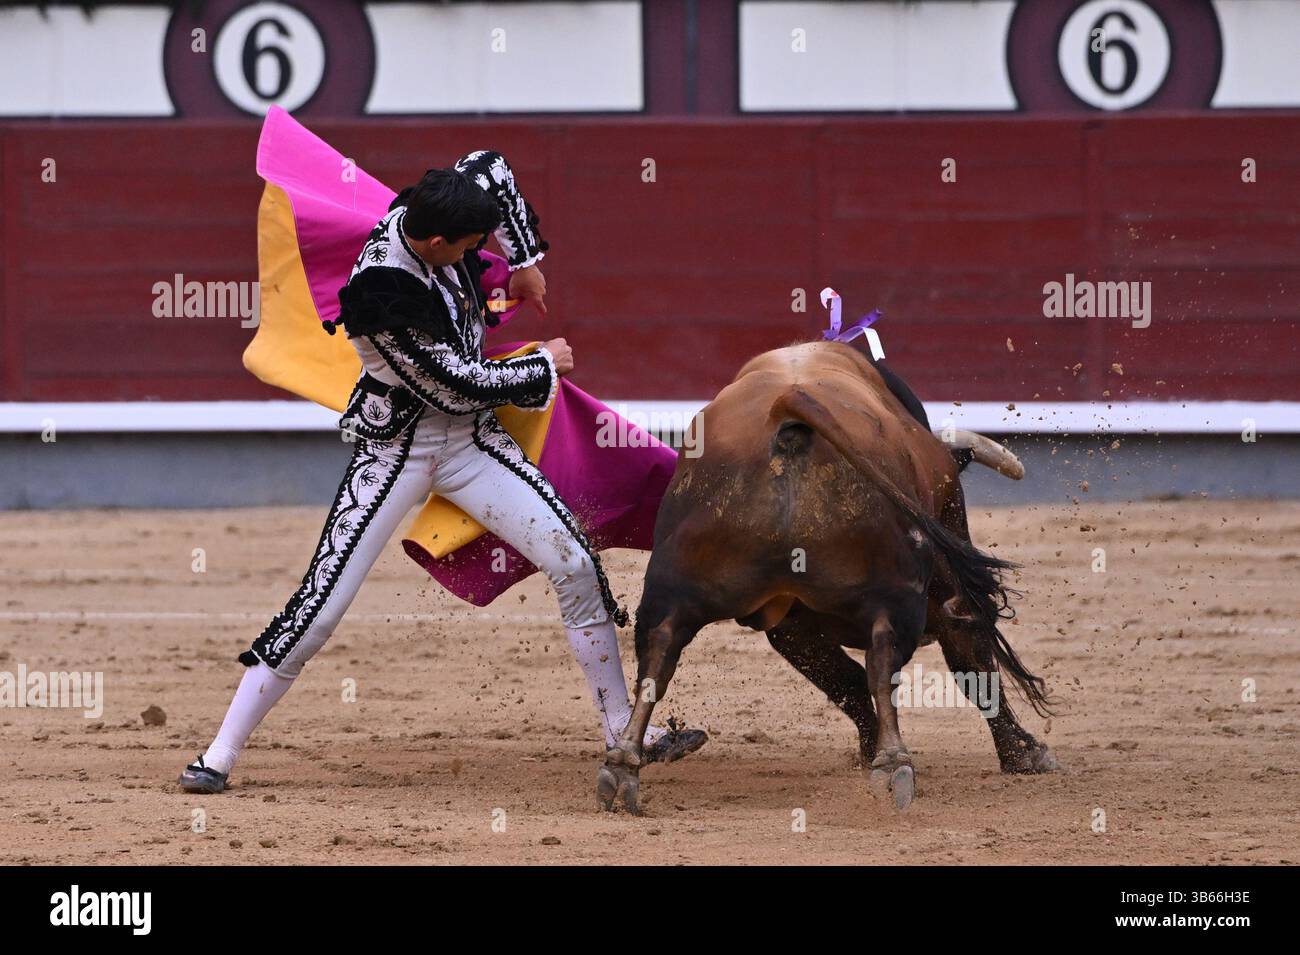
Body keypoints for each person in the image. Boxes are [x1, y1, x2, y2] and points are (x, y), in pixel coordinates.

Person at [179, 150, 705, 794]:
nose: (471, 255)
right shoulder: (381, 292)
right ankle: (219, 754)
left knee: (571, 560)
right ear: (432, 242)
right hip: (398, 449)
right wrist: (542, 367)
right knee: (321, 605)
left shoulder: (439, 210)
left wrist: (525, 263)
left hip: (471, 447)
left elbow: (494, 167)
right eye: (465, 249)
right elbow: (453, 386)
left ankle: (626, 732)